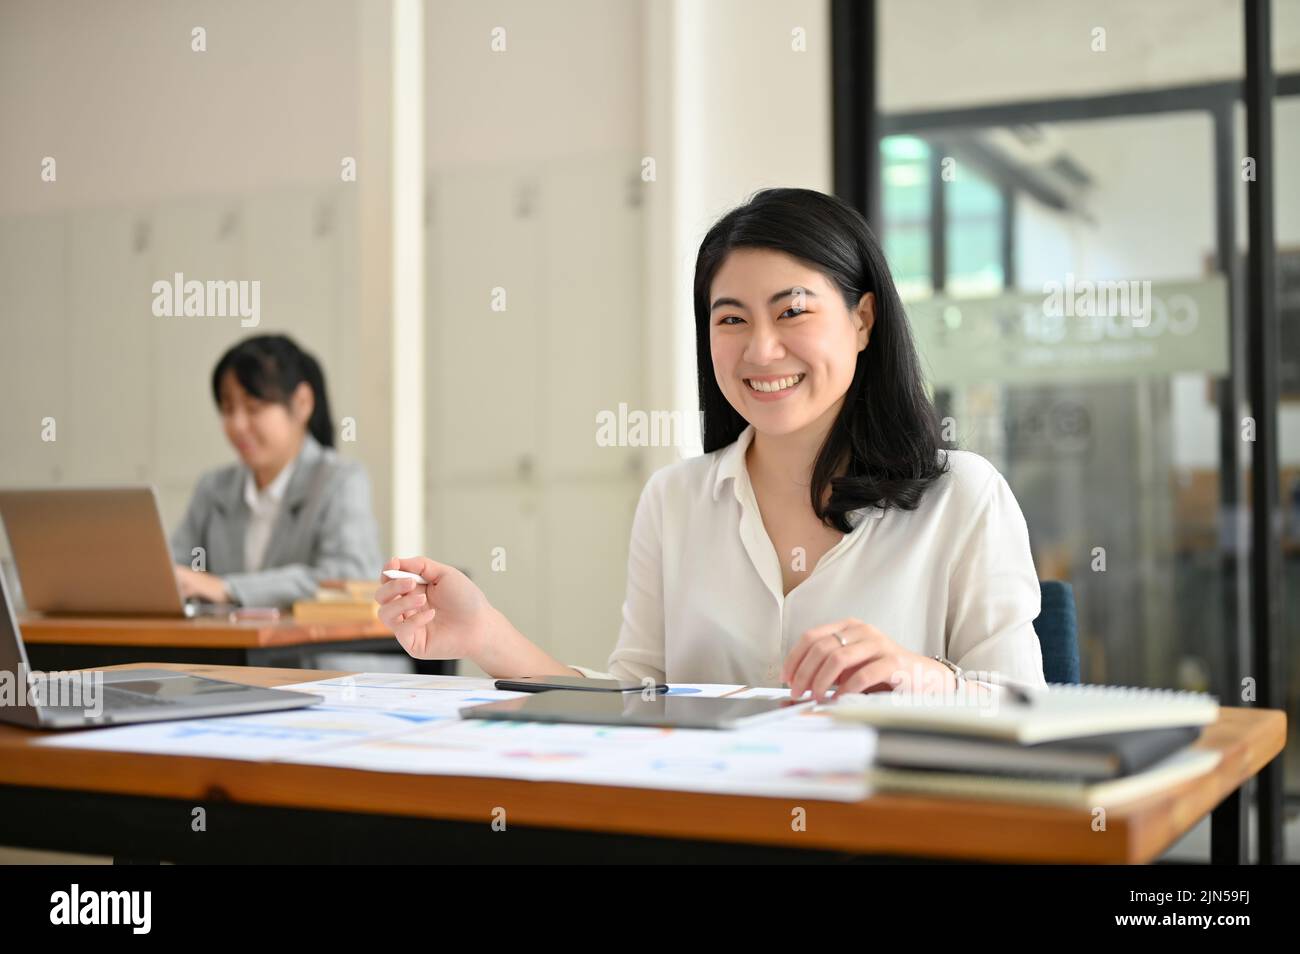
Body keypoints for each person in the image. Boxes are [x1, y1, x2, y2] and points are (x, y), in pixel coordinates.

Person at [377, 188, 1045, 700]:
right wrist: (482, 633)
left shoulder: (963, 497)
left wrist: (921, 676)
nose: (761, 349)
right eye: (731, 319)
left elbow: (1028, 712)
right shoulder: (677, 500)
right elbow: (636, 705)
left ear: (863, 319)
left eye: (792, 311)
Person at [170, 334, 381, 608]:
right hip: (229, 648)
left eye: (253, 408)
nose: (237, 424)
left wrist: (228, 589)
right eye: (228, 408)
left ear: (302, 403)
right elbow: (175, 570)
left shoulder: (340, 481)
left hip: (313, 649)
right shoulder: (214, 488)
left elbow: (347, 576)